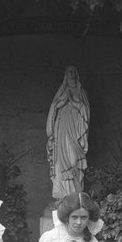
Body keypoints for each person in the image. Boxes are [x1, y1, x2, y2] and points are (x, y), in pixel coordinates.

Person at [46, 65, 90, 200]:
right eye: (68, 71)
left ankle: (74, 195)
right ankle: (64, 196)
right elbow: (53, 108)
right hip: (61, 130)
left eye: (73, 71)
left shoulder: (81, 92)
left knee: (73, 161)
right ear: (65, 75)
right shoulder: (61, 92)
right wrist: (60, 102)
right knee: (61, 162)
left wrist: (74, 102)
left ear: (77, 74)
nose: (71, 73)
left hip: (75, 131)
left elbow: (85, 111)